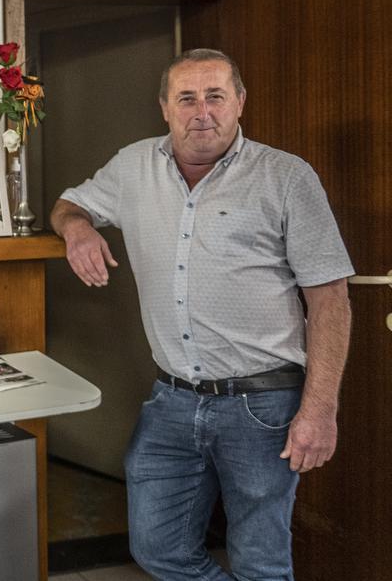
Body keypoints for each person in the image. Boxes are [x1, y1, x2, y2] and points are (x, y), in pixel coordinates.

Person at [49, 49, 352, 581]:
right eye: (187, 98)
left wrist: (320, 410)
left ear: (240, 103)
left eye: (216, 96)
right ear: (165, 107)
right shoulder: (132, 166)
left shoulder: (285, 176)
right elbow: (69, 204)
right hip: (171, 400)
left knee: (261, 562)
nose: (202, 111)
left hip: (264, 405)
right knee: (157, 549)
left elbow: (330, 299)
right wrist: (78, 229)